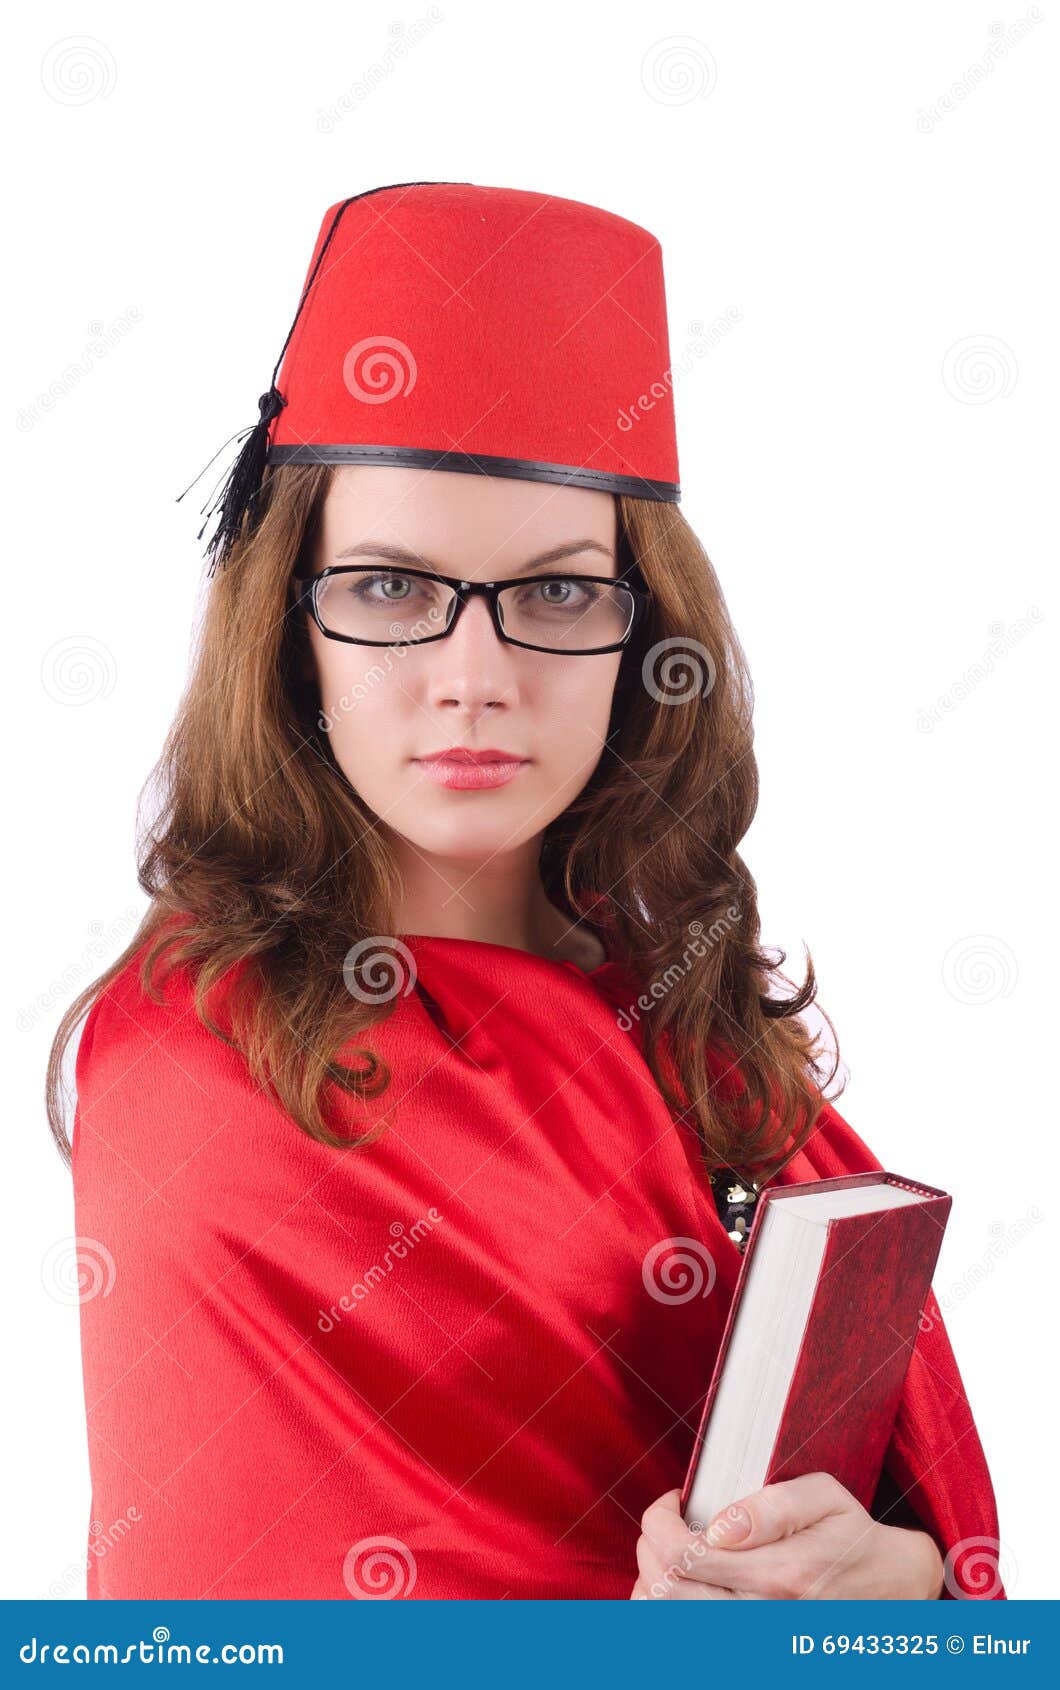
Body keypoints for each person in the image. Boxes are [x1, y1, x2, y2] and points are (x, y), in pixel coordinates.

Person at [48, 182, 1004, 1601]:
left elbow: (888, 1536)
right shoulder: (203, 1062)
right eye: (390, 588)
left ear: (640, 630)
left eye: (555, 593)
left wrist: (895, 1584)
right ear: (290, 627)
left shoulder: (696, 1017)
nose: (475, 678)